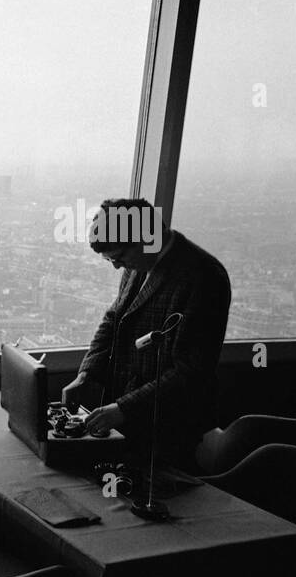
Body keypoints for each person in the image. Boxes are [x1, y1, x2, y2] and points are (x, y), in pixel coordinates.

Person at [62, 198, 230, 468]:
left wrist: (125, 408)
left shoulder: (204, 277)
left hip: (169, 427)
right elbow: (113, 319)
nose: (117, 267)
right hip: (129, 415)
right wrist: (87, 374)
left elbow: (191, 372)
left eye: (119, 258)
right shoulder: (138, 262)